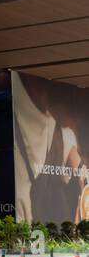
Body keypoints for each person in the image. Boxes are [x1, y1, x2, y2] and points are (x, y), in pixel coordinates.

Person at [13, 73, 87, 223]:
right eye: (76, 126)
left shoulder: (56, 121)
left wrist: (81, 178)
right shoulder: (19, 187)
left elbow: (69, 146)